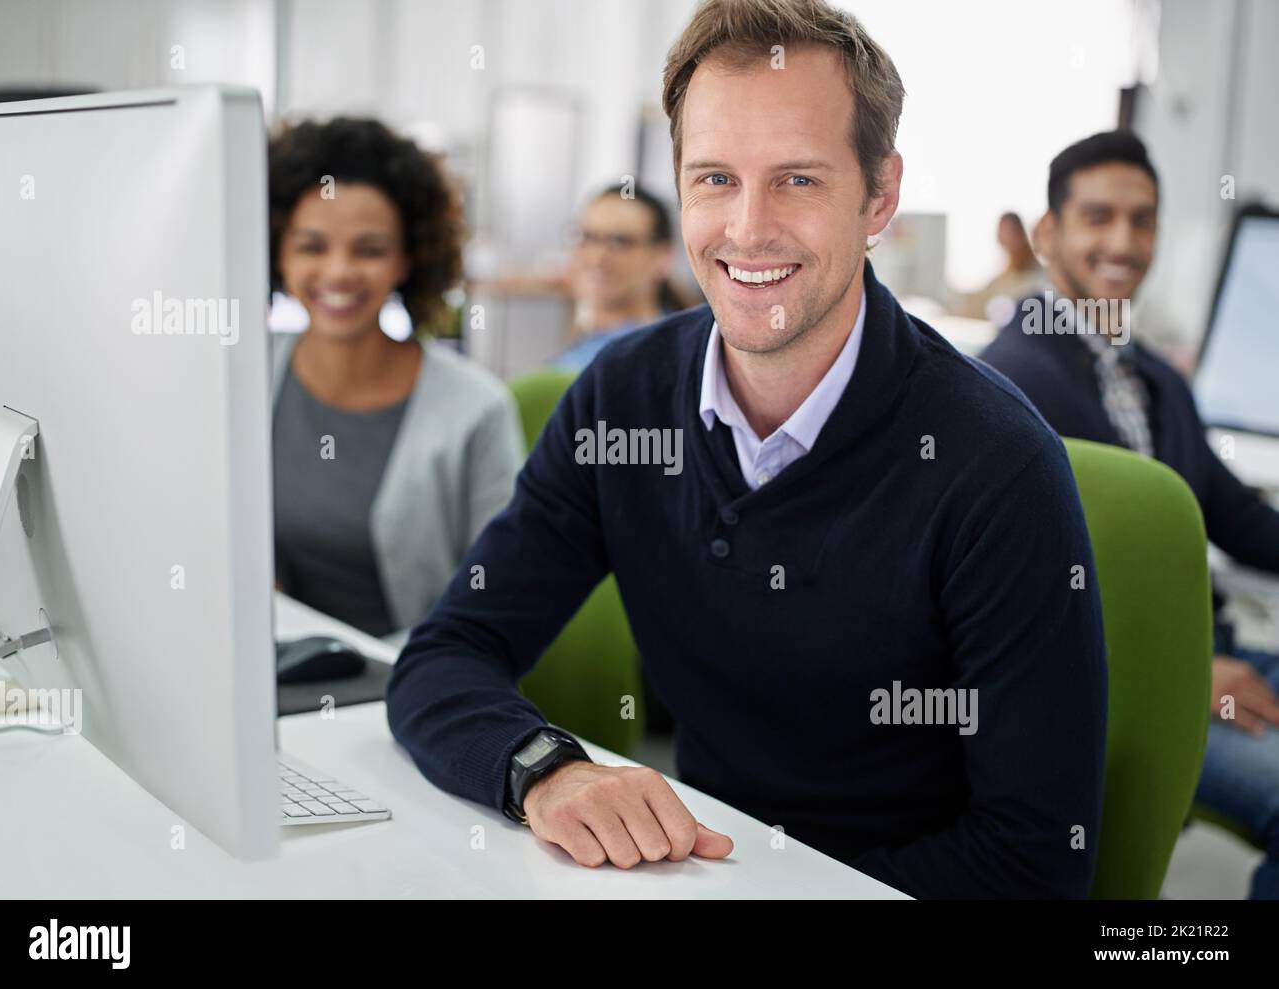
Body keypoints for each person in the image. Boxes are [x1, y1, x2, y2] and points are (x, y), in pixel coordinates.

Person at [386, 0, 1106, 899]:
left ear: (878, 195)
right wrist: (546, 769)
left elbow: (1036, 861)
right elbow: (445, 652)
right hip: (694, 875)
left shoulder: (995, 467)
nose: (748, 228)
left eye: (798, 179)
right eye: (715, 178)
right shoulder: (623, 400)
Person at [979, 129, 1279, 899]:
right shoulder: (1002, 386)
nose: (1124, 241)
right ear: (1048, 233)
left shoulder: (1154, 378)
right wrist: (1191, 673)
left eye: (1142, 220)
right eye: (1099, 216)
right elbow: (1021, 596)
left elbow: (1235, 514)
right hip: (1118, 681)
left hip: (1211, 651)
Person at [268, 117, 524, 640]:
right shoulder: (240, 375)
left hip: (407, 687)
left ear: (409, 258)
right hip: (263, 673)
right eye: (312, 246)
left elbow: (500, 599)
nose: (339, 272)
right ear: (277, 250)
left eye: (370, 250)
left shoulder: (475, 409)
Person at [551, 184, 683, 371]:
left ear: (662, 257)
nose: (596, 257)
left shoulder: (664, 357)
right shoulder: (585, 349)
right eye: (586, 237)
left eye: (619, 242)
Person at [954, 212, 1046, 321]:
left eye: (1011, 232)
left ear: (1021, 234)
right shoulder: (1002, 279)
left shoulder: (1038, 277)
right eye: (1003, 233)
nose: (1007, 239)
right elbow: (977, 304)